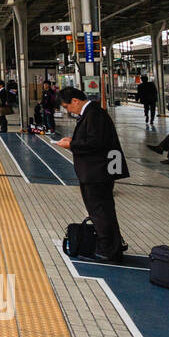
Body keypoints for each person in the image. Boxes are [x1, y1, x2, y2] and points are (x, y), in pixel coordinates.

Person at [56, 86, 129, 262]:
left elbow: (96, 142)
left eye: (67, 106)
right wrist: (73, 141)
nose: (68, 110)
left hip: (97, 172)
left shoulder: (94, 114)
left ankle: (108, 250)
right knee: (101, 210)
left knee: (100, 211)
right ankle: (112, 245)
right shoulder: (92, 113)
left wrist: (72, 145)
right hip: (96, 171)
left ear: (75, 100)